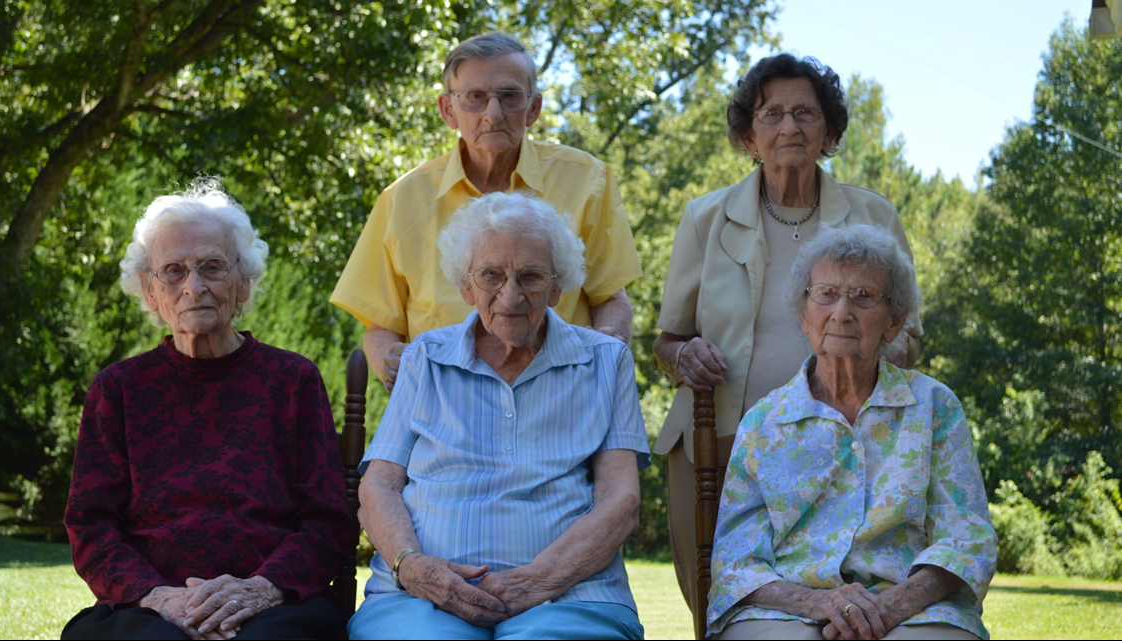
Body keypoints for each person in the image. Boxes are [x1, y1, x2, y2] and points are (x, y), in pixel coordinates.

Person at [650, 53, 925, 629]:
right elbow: (666, 340)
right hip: (715, 442)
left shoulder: (873, 215)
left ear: (830, 131)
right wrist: (684, 355)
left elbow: (909, 333)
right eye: (771, 113)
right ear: (749, 135)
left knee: (845, 601)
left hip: (848, 442)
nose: (789, 126)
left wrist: (879, 352)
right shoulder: (705, 218)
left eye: (805, 112)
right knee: (721, 605)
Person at [348, 192, 649, 640]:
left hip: (572, 599)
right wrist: (412, 567)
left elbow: (620, 503)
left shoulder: (605, 362)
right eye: (491, 275)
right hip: (420, 600)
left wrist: (535, 582)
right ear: (466, 285)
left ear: (556, 286)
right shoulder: (424, 359)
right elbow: (380, 485)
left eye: (530, 276)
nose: (510, 295)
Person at [62, 181, 352, 640]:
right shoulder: (117, 389)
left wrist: (259, 590)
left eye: (212, 267)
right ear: (150, 291)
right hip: (148, 607)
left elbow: (327, 520)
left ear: (242, 281)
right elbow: (91, 525)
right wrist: (160, 597)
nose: (194, 287)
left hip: (272, 604)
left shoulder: (292, 381)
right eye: (173, 271)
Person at [707, 224, 996, 640]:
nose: (841, 312)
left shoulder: (934, 407)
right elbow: (736, 561)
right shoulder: (764, 423)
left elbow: (966, 540)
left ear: (894, 321)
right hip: (789, 610)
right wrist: (819, 603)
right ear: (805, 314)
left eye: (863, 297)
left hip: (912, 610)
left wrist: (888, 608)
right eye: (825, 294)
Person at [331, 32, 642, 392]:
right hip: (443, 402)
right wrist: (389, 361)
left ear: (534, 108)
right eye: (475, 98)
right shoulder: (402, 198)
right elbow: (382, 325)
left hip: (561, 397)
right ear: (448, 110)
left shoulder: (588, 180)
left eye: (509, 96)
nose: (493, 114)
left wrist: (604, 354)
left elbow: (611, 300)